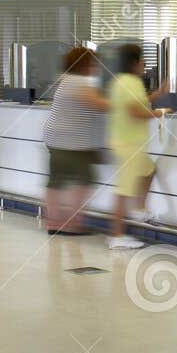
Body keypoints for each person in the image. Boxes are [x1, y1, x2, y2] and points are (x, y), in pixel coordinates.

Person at [107, 44, 169, 250]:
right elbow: (136, 113)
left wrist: (157, 94)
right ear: (134, 63)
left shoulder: (121, 82)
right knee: (123, 191)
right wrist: (159, 113)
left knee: (149, 170)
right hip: (129, 145)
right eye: (142, 60)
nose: (144, 64)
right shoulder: (132, 83)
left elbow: (137, 103)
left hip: (127, 143)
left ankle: (140, 209)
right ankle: (116, 236)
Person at [42, 46, 108, 236]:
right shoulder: (80, 82)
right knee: (85, 180)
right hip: (72, 141)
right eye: (94, 63)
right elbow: (100, 105)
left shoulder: (66, 80)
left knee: (55, 181)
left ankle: (53, 222)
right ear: (85, 64)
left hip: (56, 138)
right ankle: (72, 223)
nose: (97, 67)